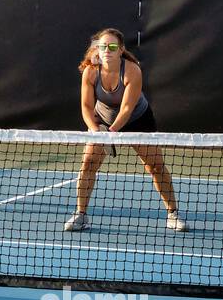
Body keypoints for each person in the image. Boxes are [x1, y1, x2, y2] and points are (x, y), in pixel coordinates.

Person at [63, 27, 187, 232]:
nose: (107, 50)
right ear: (98, 49)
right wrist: (96, 131)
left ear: (120, 50)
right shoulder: (91, 72)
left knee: (155, 166)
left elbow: (127, 108)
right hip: (101, 120)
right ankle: (81, 215)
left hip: (137, 119)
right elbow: (86, 107)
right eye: (103, 46)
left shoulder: (132, 70)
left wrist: (111, 134)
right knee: (88, 163)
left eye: (112, 46)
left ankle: (173, 214)